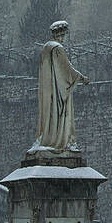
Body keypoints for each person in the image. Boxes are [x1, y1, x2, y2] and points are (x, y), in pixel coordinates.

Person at [31, 20, 90, 156]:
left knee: (48, 116)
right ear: (61, 34)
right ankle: (60, 141)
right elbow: (67, 68)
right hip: (58, 89)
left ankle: (46, 138)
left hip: (47, 90)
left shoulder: (46, 48)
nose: (64, 38)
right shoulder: (58, 48)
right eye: (63, 35)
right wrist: (81, 78)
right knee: (60, 115)